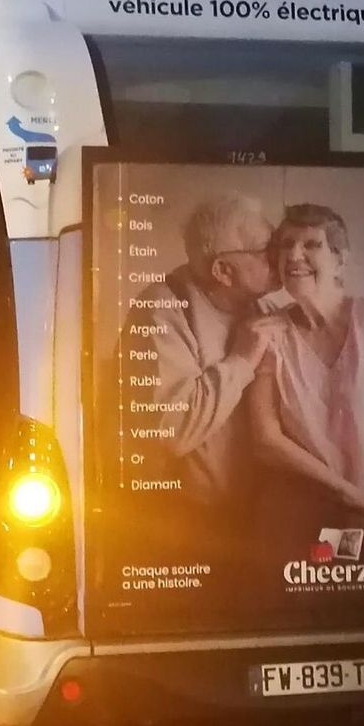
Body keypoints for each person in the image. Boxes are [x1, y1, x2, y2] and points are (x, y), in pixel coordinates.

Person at [125, 194, 289, 511]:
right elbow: (171, 431)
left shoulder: (263, 307)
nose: (281, 257)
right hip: (183, 522)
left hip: (255, 518)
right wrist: (241, 362)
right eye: (266, 250)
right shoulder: (160, 308)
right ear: (223, 271)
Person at [248, 203, 364, 528]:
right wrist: (351, 496)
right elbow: (265, 441)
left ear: (340, 259)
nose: (294, 256)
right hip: (305, 519)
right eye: (286, 245)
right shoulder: (267, 334)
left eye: (312, 244)